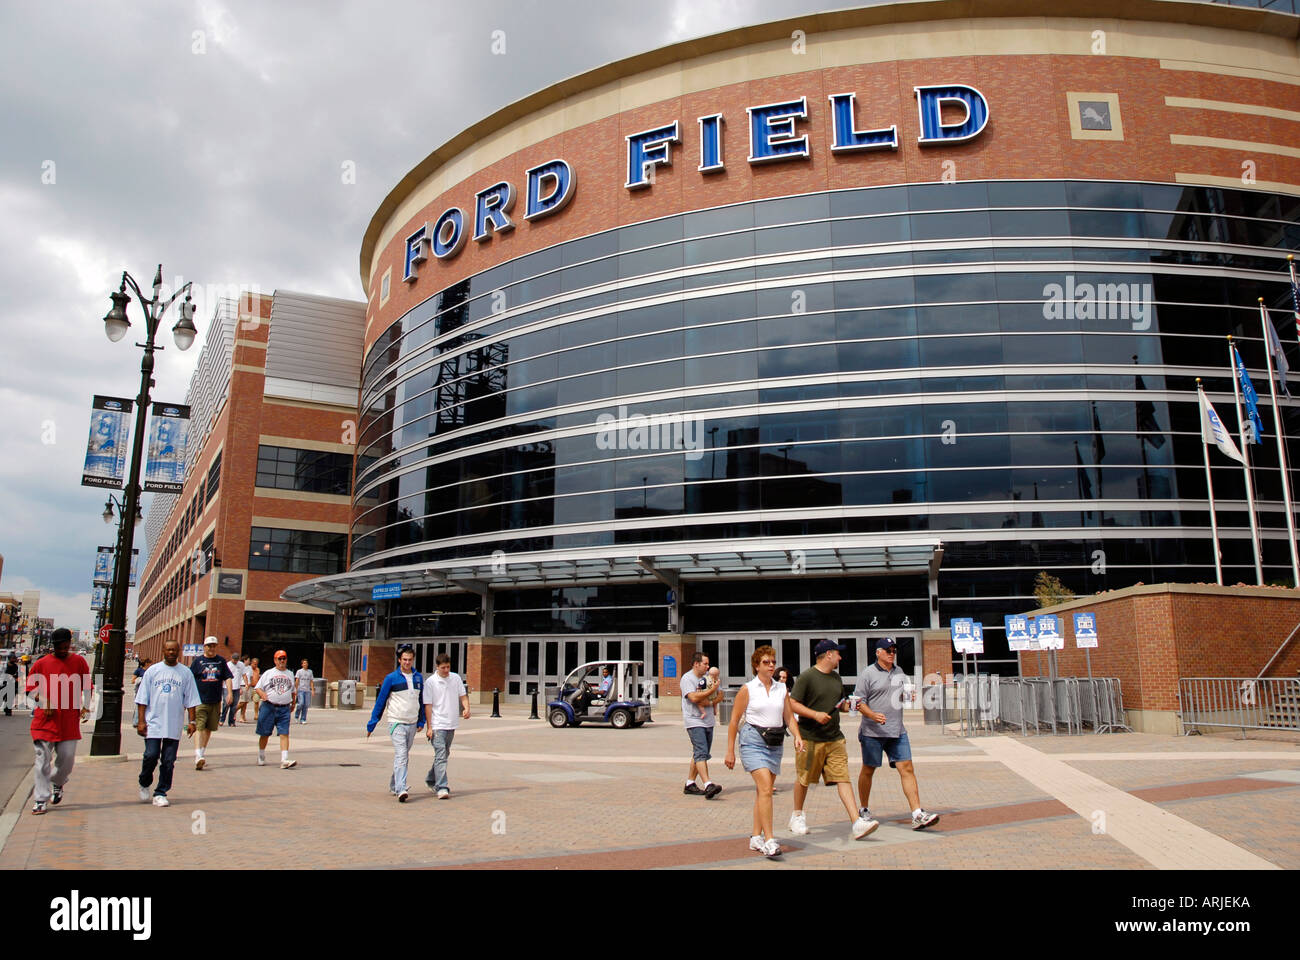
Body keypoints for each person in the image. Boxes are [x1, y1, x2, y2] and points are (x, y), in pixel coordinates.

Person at [788, 639, 877, 841]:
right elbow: (792, 704)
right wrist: (814, 714)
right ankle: (797, 815)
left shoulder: (836, 677)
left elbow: (840, 705)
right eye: (838, 653)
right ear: (828, 654)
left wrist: (852, 706)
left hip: (835, 738)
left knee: (843, 778)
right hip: (810, 738)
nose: (840, 657)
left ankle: (856, 822)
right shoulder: (807, 677)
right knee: (804, 779)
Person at [725, 645, 802, 859]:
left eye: (773, 662)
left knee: (762, 792)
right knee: (767, 789)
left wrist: (797, 735)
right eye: (766, 662)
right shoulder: (748, 689)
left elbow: (788, 717)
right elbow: (733, 721)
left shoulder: (781, 689)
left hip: (775, 742)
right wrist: (730, 751)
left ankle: (755, 836)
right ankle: (769, 840)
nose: (771, 666)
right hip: (752, 740)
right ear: (756, 666)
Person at [854, 638, 939, 830]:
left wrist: (907, 696)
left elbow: (896, 696)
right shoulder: (867, 674)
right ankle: (864, 809)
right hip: (872, 732)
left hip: (897, 730)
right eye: (887, 650)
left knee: (907, 768)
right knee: (868, 770)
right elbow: (858, 702)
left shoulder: (899, 671)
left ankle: (917, 813)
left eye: (893, 650)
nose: (891, 653)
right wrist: (872, 715)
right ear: (878, 652)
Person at [26, 628, 92, 814]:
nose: (63, 650)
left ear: (70, 644)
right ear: (53, 646)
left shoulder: (79, 662)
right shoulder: (42, 663)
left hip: (68, 721)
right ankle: (40, 799)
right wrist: (43, 700)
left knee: (67, 759)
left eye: (65, 646)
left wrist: (86, 706)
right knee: (42, 760)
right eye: (59, 647)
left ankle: (58, 782)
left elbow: (87, 686)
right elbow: (30, 688)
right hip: (45, 721)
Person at [135, 638, 200, 807]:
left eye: (174, 650)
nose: (171, 652)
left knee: (169, 761)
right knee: (151, 755)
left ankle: (161, 792)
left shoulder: (185, 673)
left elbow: (191, 699)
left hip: (174, 724)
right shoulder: (152, 671)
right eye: (168, 649)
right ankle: (144, 781)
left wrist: (192, 721)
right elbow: (142, 699)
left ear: (178, 651)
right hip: (154, 722)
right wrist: (141, 721)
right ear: (163, 651)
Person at [367, 646, 424, 801]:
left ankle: (394, 783)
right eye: (404, 659)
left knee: (403, 755)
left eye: (410, 659)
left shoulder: (418, 678)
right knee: (401, 754)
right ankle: (401, 788)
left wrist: (421, 720)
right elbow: (381, 701)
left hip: (412, 722)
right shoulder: (391, 678)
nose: (407, 662)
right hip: (396, 722)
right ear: (399, 660)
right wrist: (372, 723)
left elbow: (421, 701)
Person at [423, 652, 469, 798]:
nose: (446, 670)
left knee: (443, 754)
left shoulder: (455, 678)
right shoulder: (431, 682)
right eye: (443, 668)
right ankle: (442, 786)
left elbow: (463, 695)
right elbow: (428, 706)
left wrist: (467, 707)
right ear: (437, 667)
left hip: (451, 723)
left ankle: (431, 778)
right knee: (441, 755)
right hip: (437, 724)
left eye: (448, 667)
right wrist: (429, 727)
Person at [680, 652, 723, 799]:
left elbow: (721, 695)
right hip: (694, 720)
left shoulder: (711, 677)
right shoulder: (687, 678)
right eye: (705, 663)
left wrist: (710, 702)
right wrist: (711, 693)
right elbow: (693, 697)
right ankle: (708, 784)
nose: (707, 666)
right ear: (696, 664)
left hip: (709, 721)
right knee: (701, 751)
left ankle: (690, 784)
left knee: (700, 754)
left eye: (708, 664)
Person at [189, 636, 233, 770]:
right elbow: (190, 680)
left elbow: (228, 677)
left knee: (209, 729)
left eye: (214, 646)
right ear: (204, 647)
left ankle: (201, 753)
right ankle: (197, 755)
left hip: (215, 700)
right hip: (200, 701)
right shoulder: (198, 662)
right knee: (199, 727)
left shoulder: (220, 661)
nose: (211, 648)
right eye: (209, 646)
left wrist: (229, 693)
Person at [254, 650, 298, 768]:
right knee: (265, 733)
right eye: (279, 659)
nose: (282, 661)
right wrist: (262, 694)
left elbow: (293, 691)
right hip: (269, 706)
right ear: (275, 660)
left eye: (284, 658)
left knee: (284, 733)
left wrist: (293, 703)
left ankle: (284, 759)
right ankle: (261, 754)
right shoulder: (268, 673)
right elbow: (258, 688)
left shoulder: (290, 674)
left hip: (284, 708)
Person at [223, 651, 247, 727]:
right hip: (227, 687)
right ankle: (222, 719)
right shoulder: (227, 665)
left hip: (236, 687)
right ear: (231, 658)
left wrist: (245, 684)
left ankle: (231, 721)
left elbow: (244, 675)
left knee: (234, 706)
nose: (235, 661)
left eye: (236, 660)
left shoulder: (241, 665)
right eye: (234, 660)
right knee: (226, 704)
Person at [239, 657, 260, 723]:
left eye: (256, 664)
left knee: (255, 701)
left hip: (255, 687)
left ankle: (255, 715)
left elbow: (255, 678)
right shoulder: (245, 668)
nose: (255, 665)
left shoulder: (257, 670)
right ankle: (235, 712)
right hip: (246, 686)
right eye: (254, 664)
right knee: (243, 702)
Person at [294, 658, 314, 723]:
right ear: (302, 664)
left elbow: (311, 681)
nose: (305, 664)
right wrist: (296, 689)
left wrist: (312, 690)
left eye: (306, 663)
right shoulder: (299, 671)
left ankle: (303, 719)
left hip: (307, 690)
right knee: (301, 703)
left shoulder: (310, 671)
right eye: (304, 663)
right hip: (300, 690)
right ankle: (296, 716)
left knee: (306, 705)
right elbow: (297, 681)